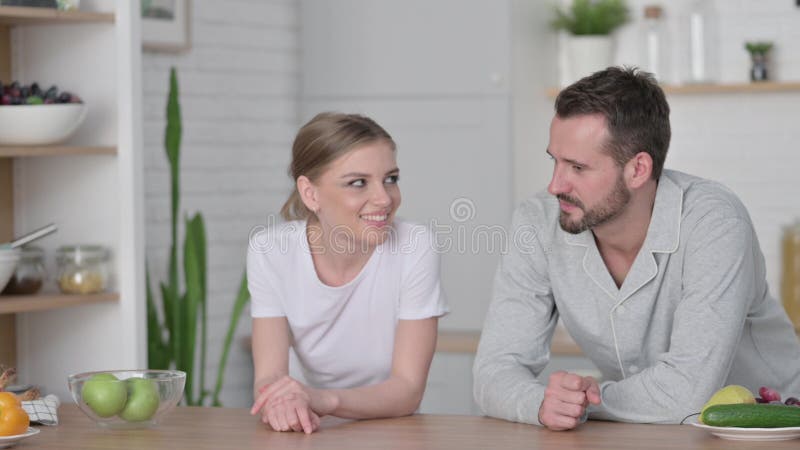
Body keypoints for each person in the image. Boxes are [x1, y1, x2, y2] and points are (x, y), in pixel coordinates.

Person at [473, 66, 800, 430]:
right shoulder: (537, 223)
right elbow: (494, 371)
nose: (554, 185)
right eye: (555, 160)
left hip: (772, 427)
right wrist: (543, 404)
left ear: (638, 169)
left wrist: (585, 401)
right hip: (645, 430)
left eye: (578, 167)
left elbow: (686, 392)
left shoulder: (715, 223)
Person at [247, 112, 448, 434]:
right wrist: (281, 401)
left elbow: (408, 390)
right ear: (310, 194)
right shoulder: (270, 250)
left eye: (391, 179)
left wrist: (322, 400)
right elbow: (269, 377)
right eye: (358, 183)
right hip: (305, 429)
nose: (384, 198)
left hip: (390, 430)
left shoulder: (415, 245)